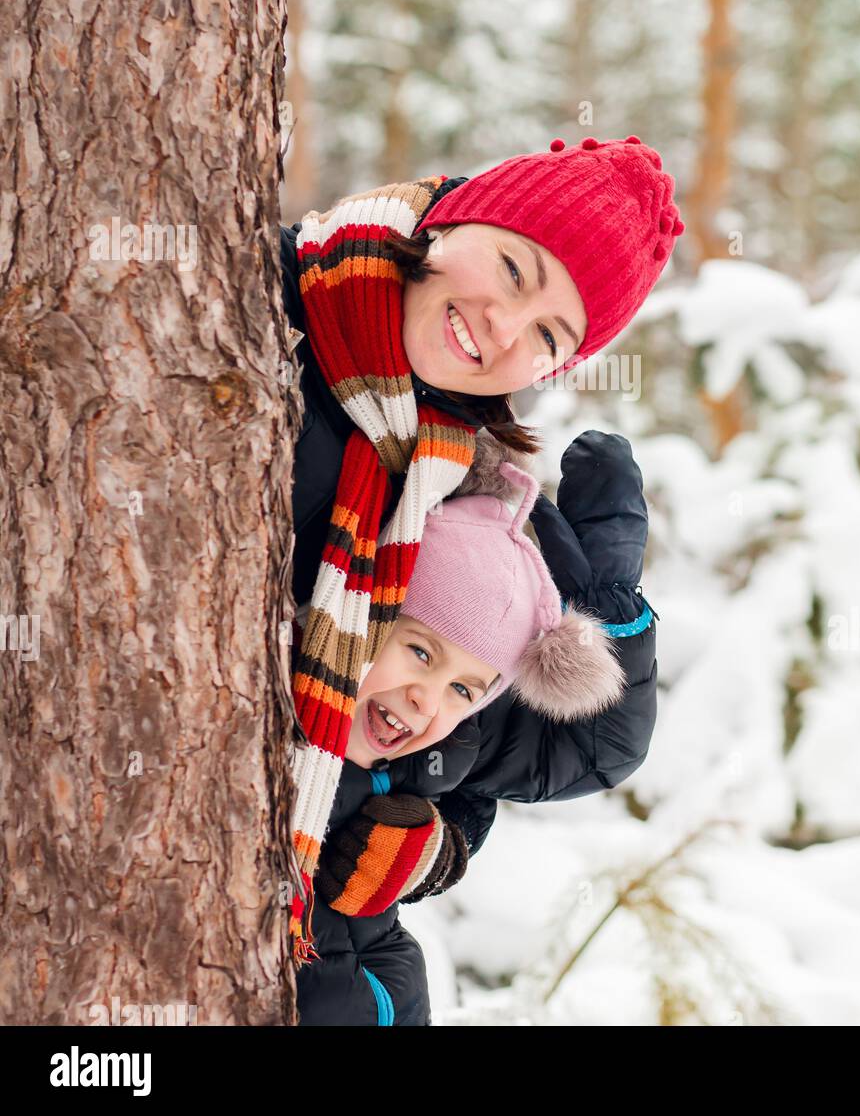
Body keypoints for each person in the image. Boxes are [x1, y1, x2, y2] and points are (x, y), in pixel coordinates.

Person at [280, 136, 684, 962]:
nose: (505, 331)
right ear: (446, 222)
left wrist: (431, 843)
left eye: (549, 336)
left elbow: (561, 746)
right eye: (512, 270)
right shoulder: (242, 309)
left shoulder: (450, 482)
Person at [295, 450, 646, 1025]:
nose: (425, 698)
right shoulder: (263, 699)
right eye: (419, 651)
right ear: (364, 615)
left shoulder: (431, 761)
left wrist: (425, 852)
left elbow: (597, 749)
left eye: (463, 690)